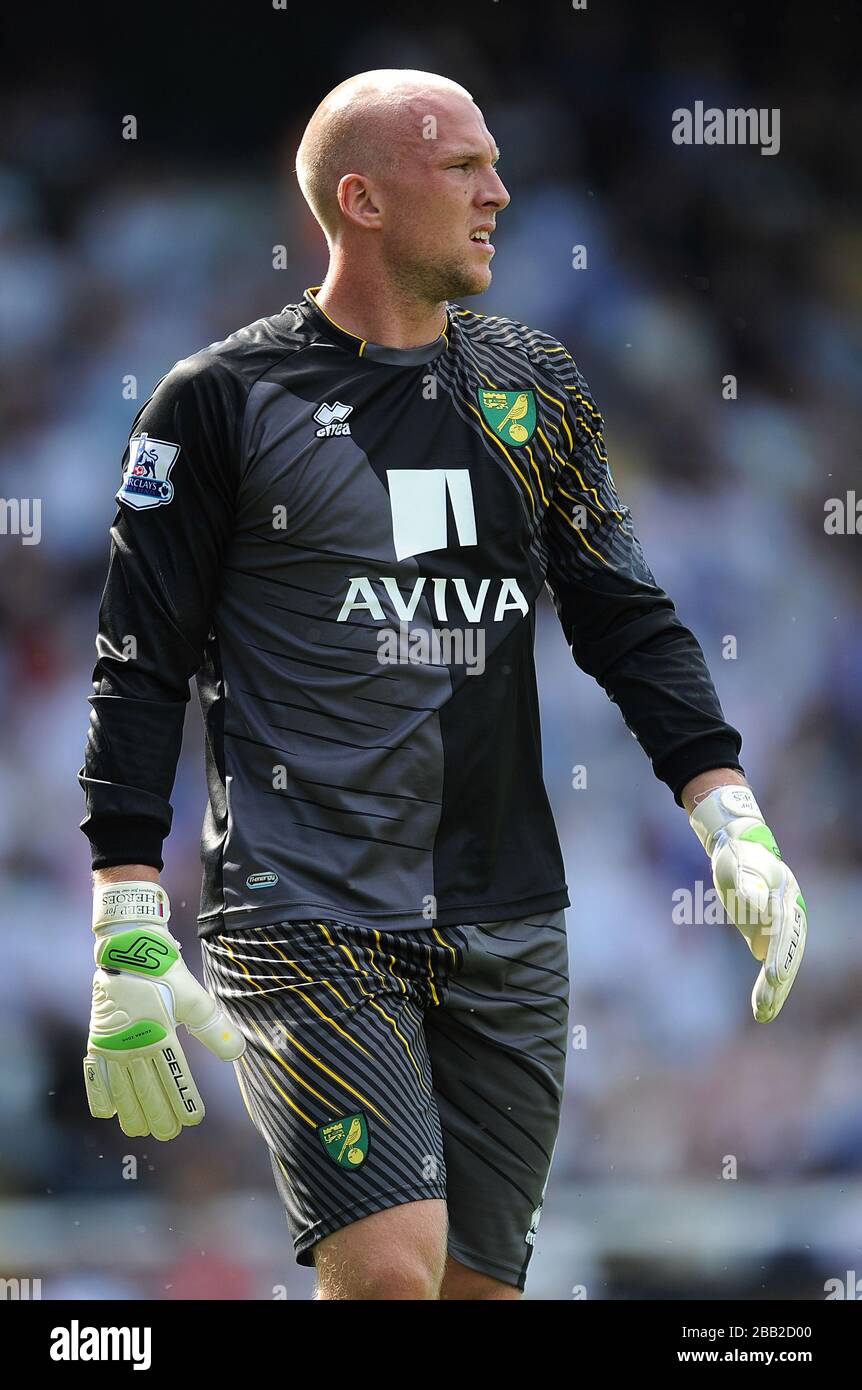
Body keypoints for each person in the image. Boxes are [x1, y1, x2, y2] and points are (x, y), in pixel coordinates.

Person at [78, 69, 806, 1301]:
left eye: (496, 161)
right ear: (360, 200)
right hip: (307, 907)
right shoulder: (218, 402)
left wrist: (725, 812)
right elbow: (138, 661)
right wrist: (125, 909)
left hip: (507, 911)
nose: (500, 192)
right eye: (463, 166)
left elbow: (625, 616)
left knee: (471, 1296)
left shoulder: (535, 389)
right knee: (390, 1277)